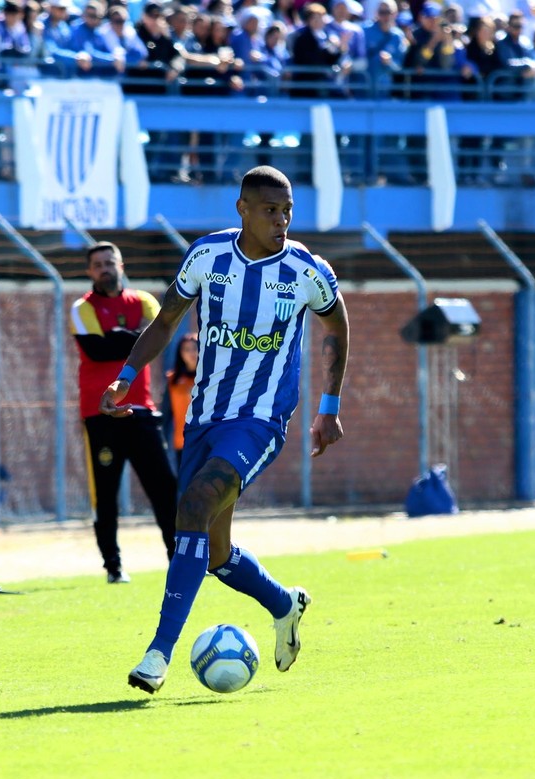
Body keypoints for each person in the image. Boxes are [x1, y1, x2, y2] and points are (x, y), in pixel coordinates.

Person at [101, 166, 350, 694]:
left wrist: (329, 406)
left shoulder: (307, 270)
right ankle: (285, 604)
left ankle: (157, 654)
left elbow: (336, 324)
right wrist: (125, 376)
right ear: (242, 209)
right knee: (214, 552)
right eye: (269, 211)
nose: (281, 220)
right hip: (204, 417)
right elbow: (165, 321)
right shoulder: (208, 257)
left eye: (287, 211)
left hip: (261, 420)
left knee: (193, 505)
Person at [70, 242, 177, 584]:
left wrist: (120, 336)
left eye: (109, 262)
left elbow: (160, 335)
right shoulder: (81, 308)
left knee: (164, 488)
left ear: (121, 263)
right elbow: (97, 350)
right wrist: (133, 337)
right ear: (90, 271)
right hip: (99, 414)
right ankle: (113, 567)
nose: (104, 268)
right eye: (97, 264)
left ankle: (178, 560)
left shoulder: (143, 300)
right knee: (106, 494)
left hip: (140, 410)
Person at [164, 332, 198, 466]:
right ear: (180, 353)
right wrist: (164, 441)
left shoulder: (211, 378)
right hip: (182, 442)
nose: (191, 353)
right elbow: (166, 416)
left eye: (195, 348)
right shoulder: (173, 381)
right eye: (186, 349)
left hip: (207, 442)